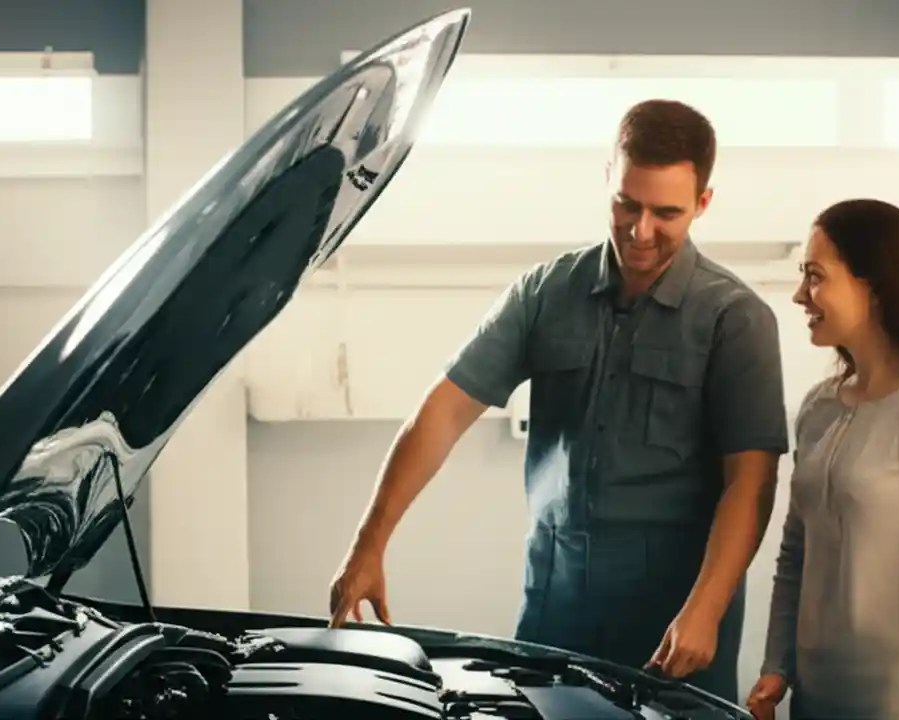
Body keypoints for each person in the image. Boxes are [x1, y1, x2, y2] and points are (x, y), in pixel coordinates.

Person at [326, 98, 789, 701]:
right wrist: (370, 543)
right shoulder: (544, 294)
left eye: (666, 212)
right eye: (628, 203)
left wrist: (706, 608)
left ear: (703, 203)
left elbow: (750, 484)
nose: (641, 229)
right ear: (607, 179)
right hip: (556, 606)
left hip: (674, 616)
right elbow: (441, 412)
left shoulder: (736, 319)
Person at [745, 198, 899, 720]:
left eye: (815, 277)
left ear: (875, 288)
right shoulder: (818, 407)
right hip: (815, 703)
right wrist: (777, 666)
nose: (800, 295)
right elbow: (795, 554)